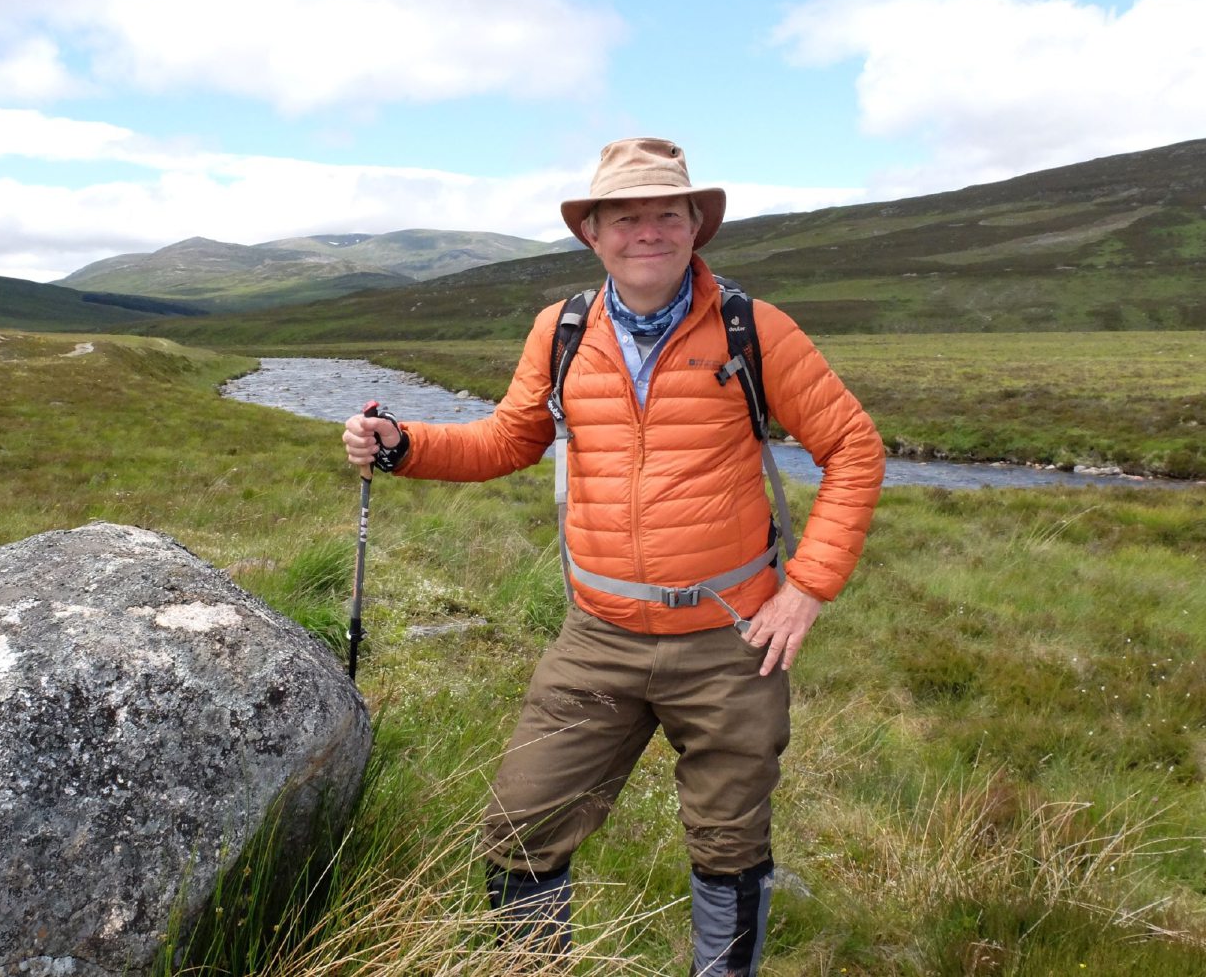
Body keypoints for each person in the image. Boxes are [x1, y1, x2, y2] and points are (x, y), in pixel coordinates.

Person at [343, 137, 885, 976]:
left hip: (730, 639)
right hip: (597, 637)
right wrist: (402, 444)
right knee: (521, 824)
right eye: (624, 217)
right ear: (592, 234)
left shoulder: (754, 328)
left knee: (730, 842)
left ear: (695, 228)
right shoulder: (561, 331)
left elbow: (853, 447)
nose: (648, 231)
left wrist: (806, 588)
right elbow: (508, 439)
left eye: (667, 213)